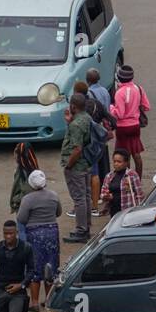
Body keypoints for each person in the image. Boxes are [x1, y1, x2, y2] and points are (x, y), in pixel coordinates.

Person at [17, 169, 62, 311]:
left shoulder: (27, 199)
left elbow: (21, 219)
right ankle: (48, 300)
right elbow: (58, 212)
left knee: (35, 268)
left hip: (35, 234)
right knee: (51, 266)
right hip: (52, 233)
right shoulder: (53, 196)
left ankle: (34, 302)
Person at [72, 80, 110, 210]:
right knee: (95, 174)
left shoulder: (78, 110)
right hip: (95, 145)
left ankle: (82, 206)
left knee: (80, 176)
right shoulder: (96, 104)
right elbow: (111, 119)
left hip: (83, 146)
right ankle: (94, 206)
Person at [61, 91, 93, 244]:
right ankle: (86, 227)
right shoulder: (86, 118)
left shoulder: (76, 125)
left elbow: (77, 149)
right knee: (85, 196)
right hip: (86, 164)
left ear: (73, 106)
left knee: (79, 199)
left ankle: (81, 230)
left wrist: (68, 165)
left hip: (76, 167)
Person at [110, 63, 150, 175]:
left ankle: (125, 179)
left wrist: (111, 108)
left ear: (119, 78)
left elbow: (120, 114)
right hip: (135, 126)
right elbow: (146, 106)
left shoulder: (120, 92)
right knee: (136, 153)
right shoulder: (138, 89)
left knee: (124, 154)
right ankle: (137, 179)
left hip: (122, 128)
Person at [98, 147, 143, 218]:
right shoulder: (109, 176)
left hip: (128, 212)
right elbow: (103, 194)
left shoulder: (132, 175)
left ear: (126, 162)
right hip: (114, 211)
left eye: (119, 162)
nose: (116, 164)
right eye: (114, 161)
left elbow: (139, 195)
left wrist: (139, 211)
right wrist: (106, 196)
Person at [8, 141, 40, 218]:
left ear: (20, 156)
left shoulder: (24, 172)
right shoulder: (34, 167)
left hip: (24, 207)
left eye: (15, 153)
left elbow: (26, 191)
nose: (14, 156)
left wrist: (15, 200)